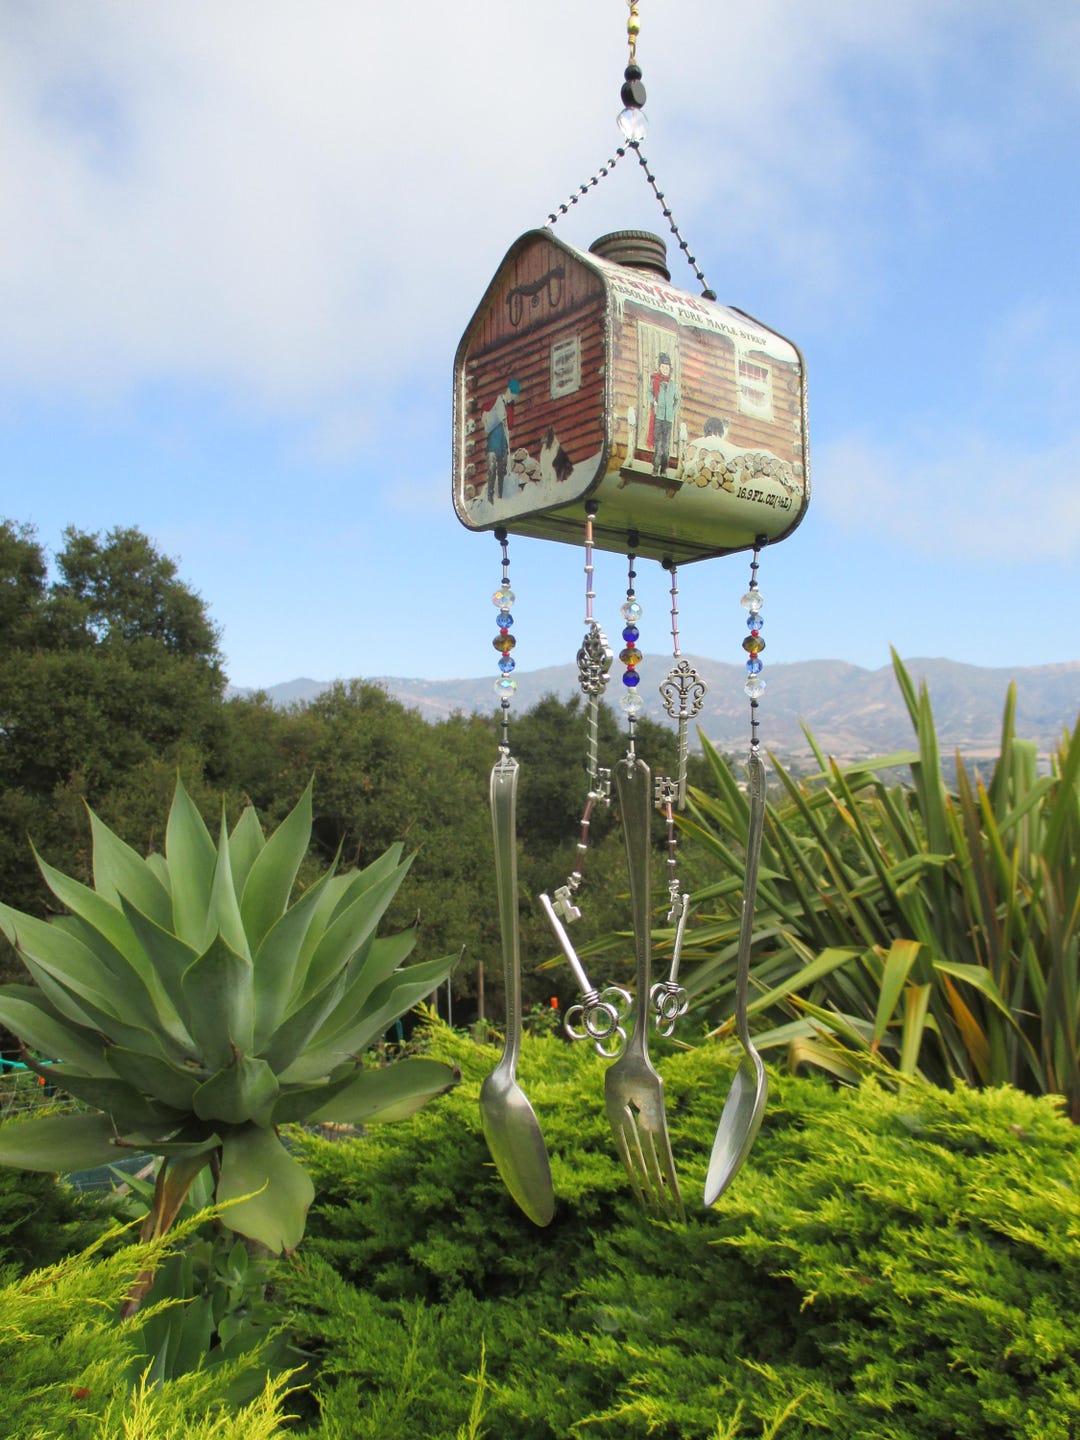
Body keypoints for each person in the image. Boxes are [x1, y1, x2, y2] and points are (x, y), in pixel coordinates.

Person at [483, 378, 521, 503]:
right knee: (492, 470)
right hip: (493, 443)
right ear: (509, 391)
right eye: (513, 395)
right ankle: (490, 499)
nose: (513, 398)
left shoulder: (510, 408)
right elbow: (485, 411)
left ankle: (500, 497)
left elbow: (510, 427)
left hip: (503, 444)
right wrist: (486, 422)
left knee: (502, 471)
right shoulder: (498, 401)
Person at [647, 353, 678, 475]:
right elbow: (649, 393)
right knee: (658, 445)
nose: (665, 369)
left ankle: (664, 469)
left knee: (666, 447)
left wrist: (672, 410)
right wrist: (653, 401)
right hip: (658, 417)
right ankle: (655, 468)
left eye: (667, 367)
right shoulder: (656, 381)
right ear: (660, 367)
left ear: (670, 369)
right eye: (663, 367)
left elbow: (677, 400)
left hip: (668, 420)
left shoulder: (673, 385)